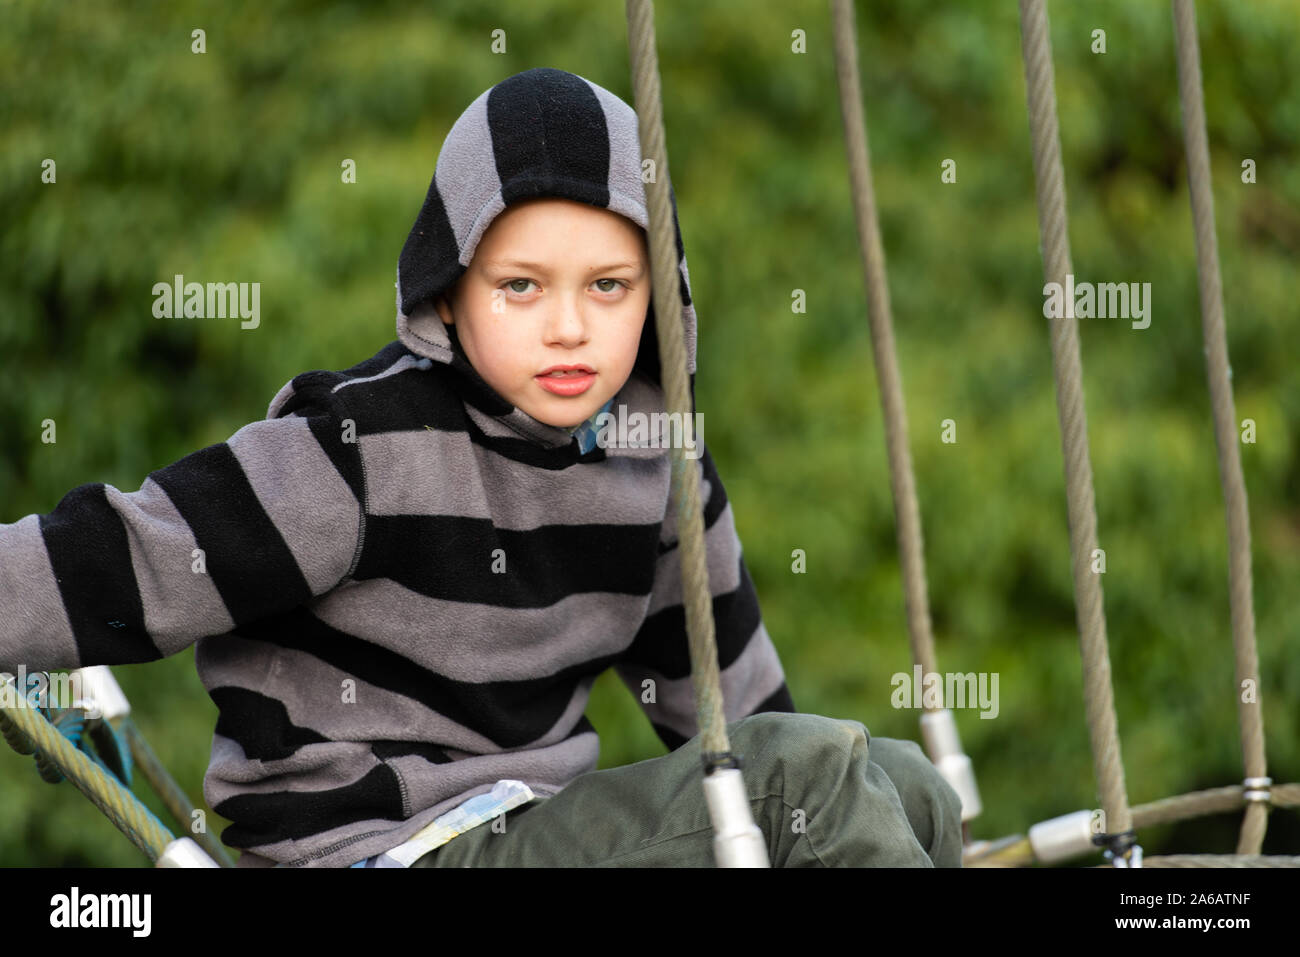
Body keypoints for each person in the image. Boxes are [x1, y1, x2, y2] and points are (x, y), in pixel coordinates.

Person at [0, 67, 962, 868]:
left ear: (662, 297)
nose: (570, 326)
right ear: (448, 299)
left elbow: (735, 714)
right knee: (810, 778)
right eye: (521, 287)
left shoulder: (655, 467)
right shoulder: (363, 449)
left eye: (609, 286)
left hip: (530, 826)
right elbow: (131, 556)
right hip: (373, 846)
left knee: (895, 780)